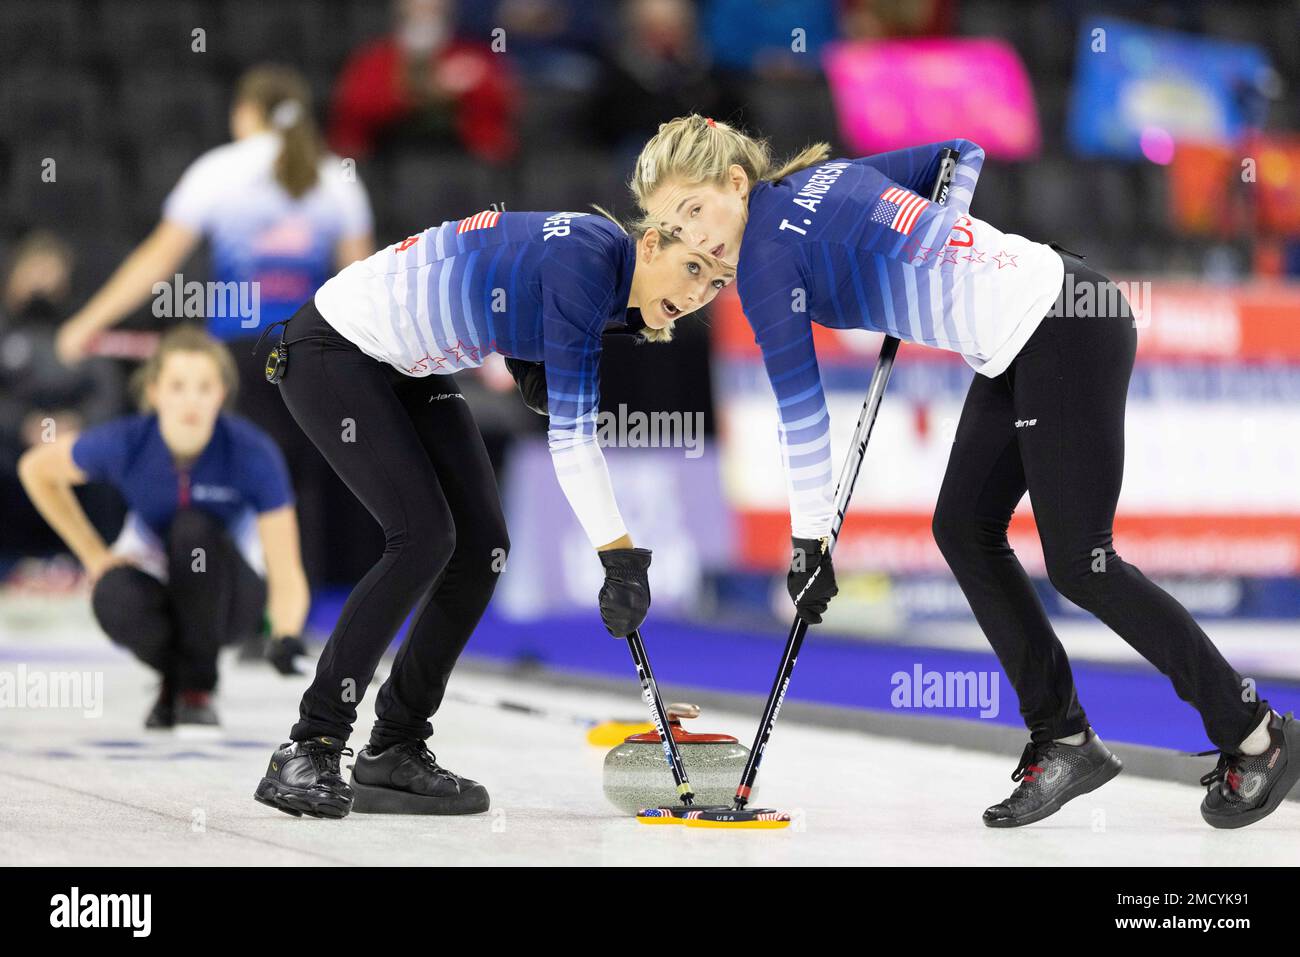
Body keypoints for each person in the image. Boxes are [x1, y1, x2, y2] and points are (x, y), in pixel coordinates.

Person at [631, 114, 1299, 830]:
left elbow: (802, 412)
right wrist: (932, 236)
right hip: (1025, 333)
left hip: (1061, 324)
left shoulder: (766, 260)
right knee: (963, 528)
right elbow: (958, 154)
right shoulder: (813, 182)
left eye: (695, 210)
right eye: (674, 226)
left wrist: (807, 543)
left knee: (1083, 562)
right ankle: (1065, 736)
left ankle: (1255, 733)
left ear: (737, 182)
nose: (693, 237)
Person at [252, 207, 733, 820]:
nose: (696, 293)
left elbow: (501, 269)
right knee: (422, 539)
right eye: (692, 267)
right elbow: (573, 439)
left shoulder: (606, 282)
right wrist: (620, 560)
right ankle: (309, 745)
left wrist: (524, 352)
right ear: (651, 243)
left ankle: (394, 749)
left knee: (483, 546)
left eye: (715, 283)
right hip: (330, 349)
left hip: (407, 365)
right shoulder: (589, 266)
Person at [54, 64, 373, 587]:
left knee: (243, 473)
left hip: (239, 355)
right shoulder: (336, 175)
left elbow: (157, 262)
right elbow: (361, 278)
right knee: (299, 478)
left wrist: (85, 323)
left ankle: (241, 604)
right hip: (313, 350)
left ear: (246, 112)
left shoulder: (219, 170)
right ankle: (296, 614)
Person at [19, 327, 311, 729]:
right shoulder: (127, 442)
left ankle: (195, 689)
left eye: (203, 386)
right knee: (111, 592)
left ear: (221, 394)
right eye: (177, 386)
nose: (191, 399)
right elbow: (36, 469)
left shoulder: (253, 453)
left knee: (193, 532)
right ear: (154, 392)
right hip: (159, 586)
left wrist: (286, 635)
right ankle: (180, 682)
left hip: (230, 598)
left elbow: (285, 568)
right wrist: (92, 555)